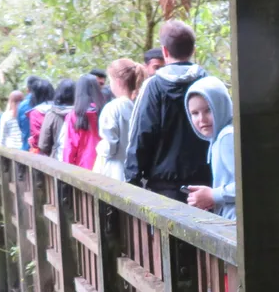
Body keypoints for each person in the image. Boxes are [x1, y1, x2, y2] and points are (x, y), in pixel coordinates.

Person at [124, 20, 211, 200]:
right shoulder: (209, 83)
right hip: (206, 187)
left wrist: (132, 181)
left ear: (164, 51)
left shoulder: (153, 87)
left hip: (164, 187)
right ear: (193, 50)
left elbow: (141, 134)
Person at [184, 76, 235, 219]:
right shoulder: (219, 138)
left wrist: (213, 195)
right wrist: (208, 198)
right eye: (195, 113)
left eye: (208, 110)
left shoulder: (227, 137)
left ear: (221, 106)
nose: (202, 119)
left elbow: (250, 183)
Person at [96, 59, 146, 181]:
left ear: (117, 82)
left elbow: (109, 147)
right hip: (137, 172)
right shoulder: (141, 106)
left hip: (114, 172)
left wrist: (99, 147)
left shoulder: (112, 108)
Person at [63, 73, 104, 169]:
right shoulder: (104, 111)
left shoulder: (75, 115)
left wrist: (66, 170)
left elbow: (70, 147)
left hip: (82, 166)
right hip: (103, 165)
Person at [37, 79, 76, 158]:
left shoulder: (51, 115)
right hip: (77, 160)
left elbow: (44, 144)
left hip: (57, 158)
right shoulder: (82, 115)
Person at [24, 79, 57, 156]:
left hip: (43, 154)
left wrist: (32, 141)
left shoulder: (35, 113)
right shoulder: (59, 109)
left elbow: (37, 136)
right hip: (59, 151)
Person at [18, 76, 48, 151]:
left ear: (27, 89)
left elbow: (20, 126)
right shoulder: (48, 105)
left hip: (27, 148)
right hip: (45, 150)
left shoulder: (22, 106)